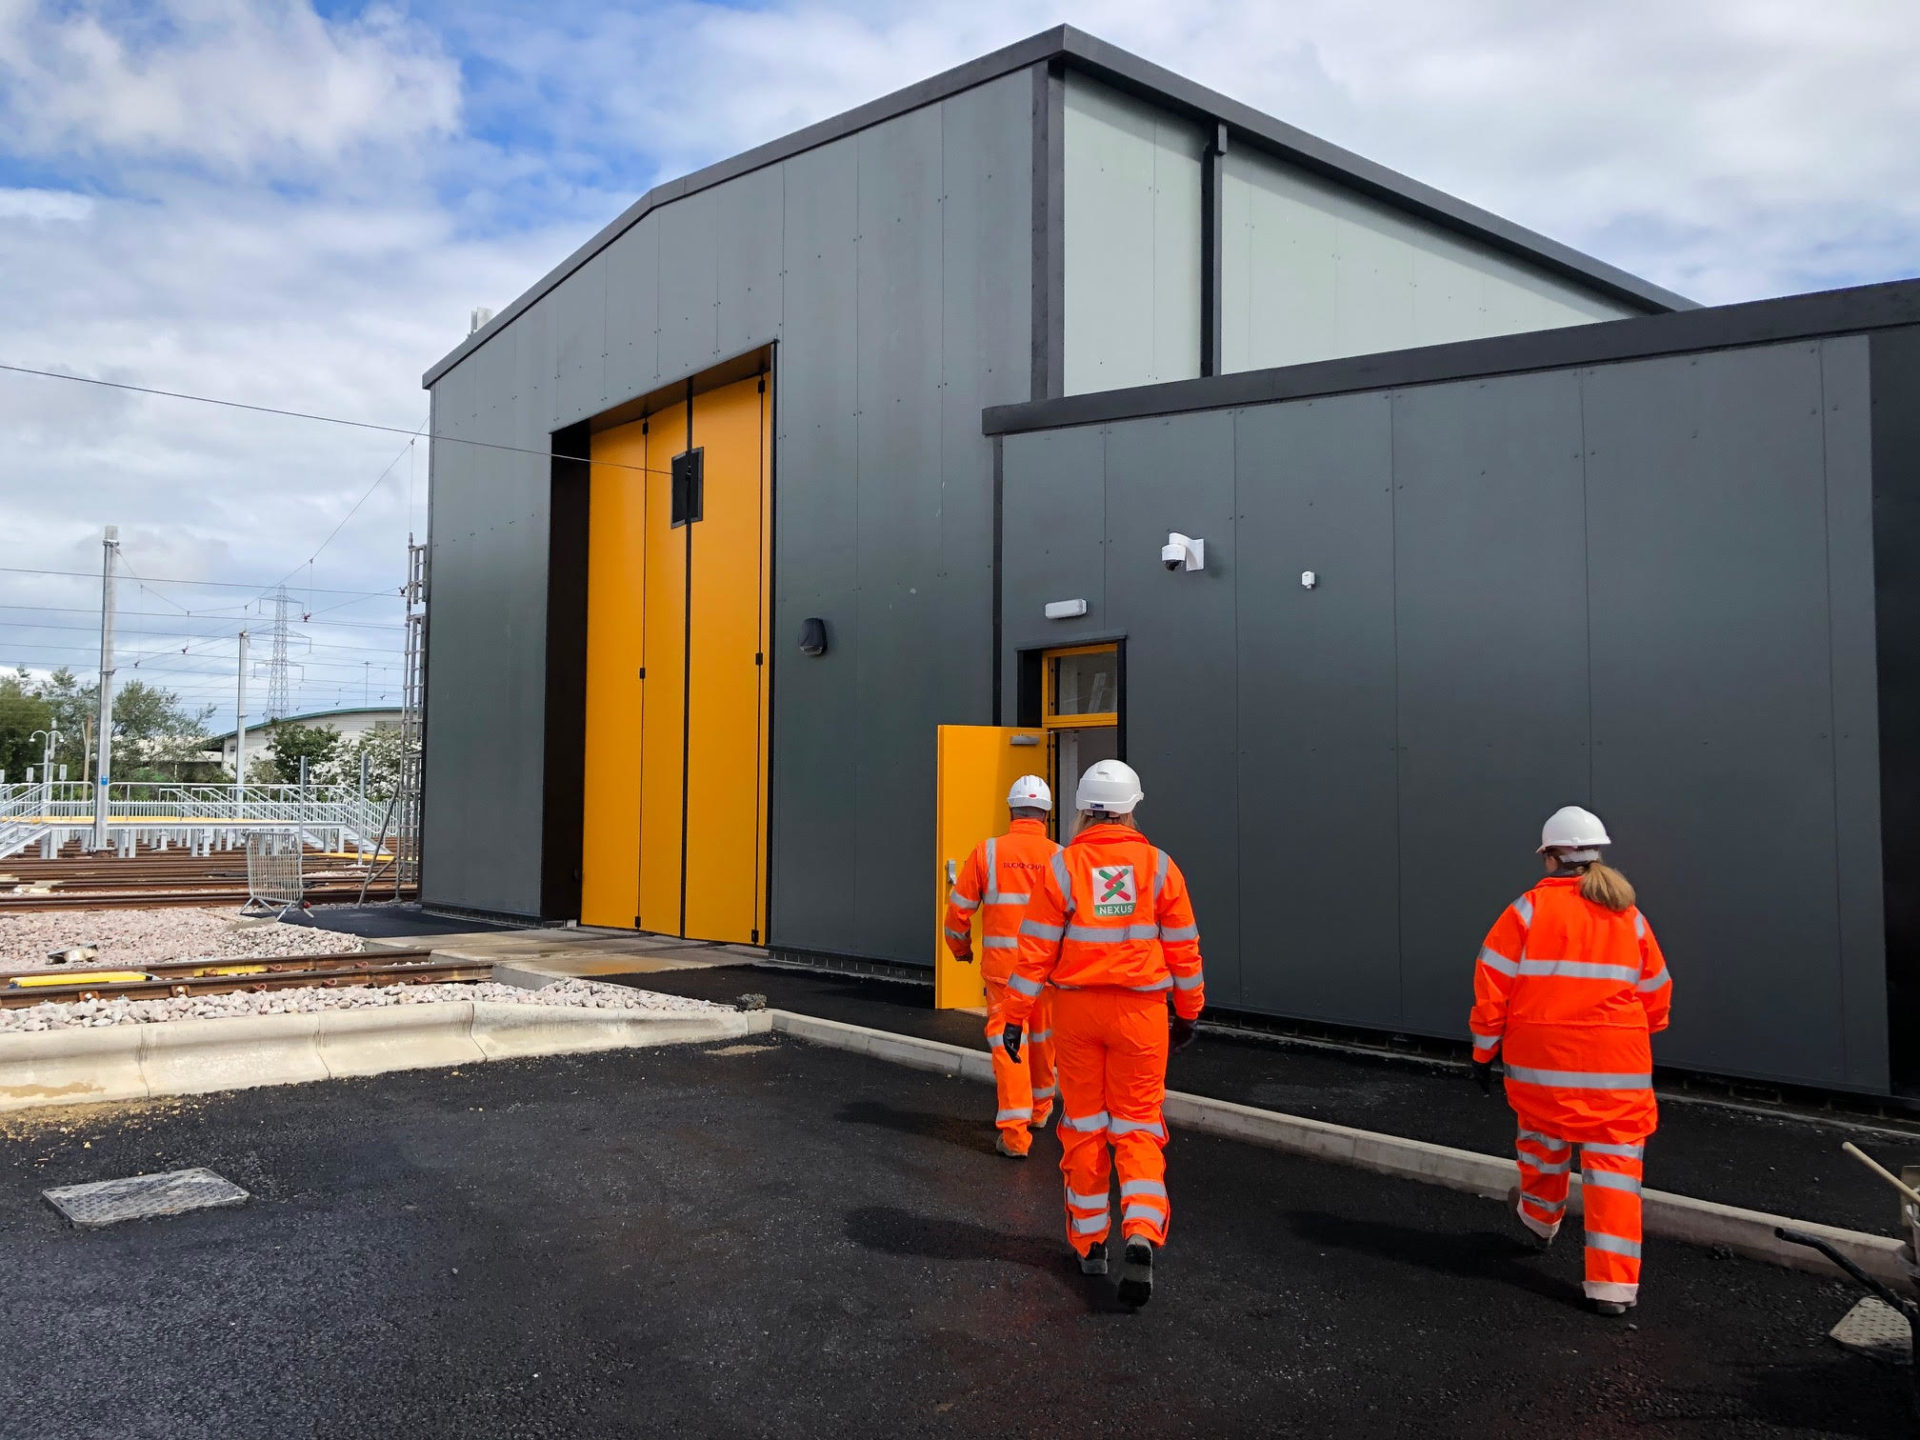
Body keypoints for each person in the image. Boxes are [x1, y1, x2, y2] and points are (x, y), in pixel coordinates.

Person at [1001, 759, 1203, 1307]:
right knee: (1138, 1126)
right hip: (1141, 1014)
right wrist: (1188, 1012)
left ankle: (1091, 1245)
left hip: (1077, 1013)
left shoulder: (1064, 868)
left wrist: (1016, 1013)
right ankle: (1139, 1230)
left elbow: (1036, 948)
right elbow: (1184, 950)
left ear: (1083, 810)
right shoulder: (1161, 867)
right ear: (1132, 807)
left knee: (1085, 1127)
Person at [1469, 805, 1672, 1316]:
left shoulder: (1526, 912)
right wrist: (1633, 1031)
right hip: (1617, 1068)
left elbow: (1493, 984)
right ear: (1596, 853)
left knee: (1541, 1138)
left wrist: (1482, 1050)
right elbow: (1656, 993)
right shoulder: (1630, 916)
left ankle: (1538, 1221)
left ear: (1550, 857)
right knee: (1616, 1175)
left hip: (1543, 1063)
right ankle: (1612, 1289)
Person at [942, 774, 1062, 1158]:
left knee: (1010, 1046)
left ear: (1011, 809)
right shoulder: (1062, 856)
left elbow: (957, 912)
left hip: (1004, 972)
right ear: (1046, 813)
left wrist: (961, 951)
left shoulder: (987, 852)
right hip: (1047, 972)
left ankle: (1014, 1135)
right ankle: (1041, 1110)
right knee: (1043, 1040)